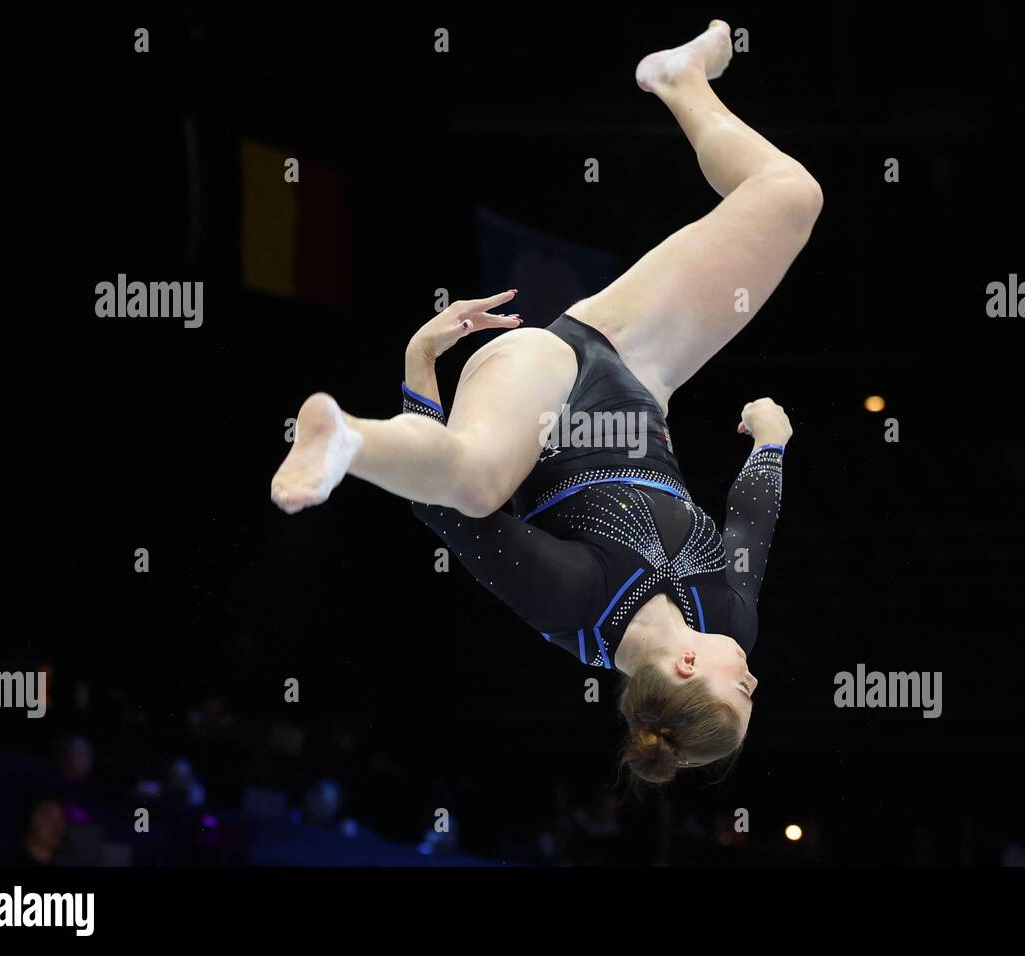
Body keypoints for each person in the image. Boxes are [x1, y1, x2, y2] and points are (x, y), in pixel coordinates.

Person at [271, 20, 823, 784]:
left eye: (743, 692)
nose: (756, 678)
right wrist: (771, 446)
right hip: (636, 362)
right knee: (792, 196)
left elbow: (448, 513)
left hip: (542, 382)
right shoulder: (730, 621)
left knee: (475, 482)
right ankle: (680, 80)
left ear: (688, 666)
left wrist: (416, 375)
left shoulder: (577, 608)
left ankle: (348, 442)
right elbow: (748, 528)